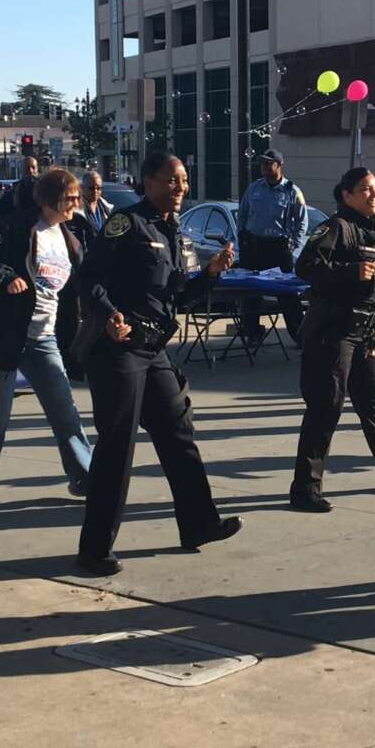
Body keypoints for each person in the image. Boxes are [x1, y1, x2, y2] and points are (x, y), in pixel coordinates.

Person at [73, 151, 242, 576]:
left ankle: (198, 524)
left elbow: (176, 296)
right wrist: (109, 313)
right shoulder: (126, 225)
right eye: (172, 180)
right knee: (117, 448)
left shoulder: (173, 232)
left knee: (178, 433)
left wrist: (211, 275)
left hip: (155, 351)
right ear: (148, 181)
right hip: (119, 351)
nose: (181, 187)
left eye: (184, 180)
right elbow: (88, 280)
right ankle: (94, 549)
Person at [288, 167, 375, 512]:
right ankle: (305, 487)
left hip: (367, 333)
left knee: (374, 404)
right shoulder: (338, 227)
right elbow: (306, 267)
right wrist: (348, 271)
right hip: (333, 333)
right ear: (347, 196)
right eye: (365, 190)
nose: (374, 195)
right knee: (326, 407)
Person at [0, 168, 95, 517]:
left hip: (44, 338)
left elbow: (85, 280)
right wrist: (6, 277)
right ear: (49, 199)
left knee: (65, 411)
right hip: (3, 336)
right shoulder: (15, 227)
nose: (76, 204)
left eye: (76, 198)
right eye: (70, 198)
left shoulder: (71, 232)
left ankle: (86, 478)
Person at [236, 148, 308, 345]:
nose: (265, 167)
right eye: (263, 164)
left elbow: (301, 223)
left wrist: (293, 248)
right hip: (254, 246)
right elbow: (242, 214)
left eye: (269, 163)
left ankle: (300, 336)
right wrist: (241, 237)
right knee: (249, 292)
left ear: (279, 165)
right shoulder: (254, 188)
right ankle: (252, 333)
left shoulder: (292, 191)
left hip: (278, 247)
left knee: (287, 294)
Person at [0, 155, 40, 220]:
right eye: (27, 168)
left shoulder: (44, 185)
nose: (30, 171)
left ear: (37, 168)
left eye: (33, 167)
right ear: (21, 169)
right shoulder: (15, 187)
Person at [77, 171, 114, 236]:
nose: (95, 191)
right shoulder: (76, 210)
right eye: (91, 188)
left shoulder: (106, 208)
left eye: (99, 188)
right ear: (82, 188)